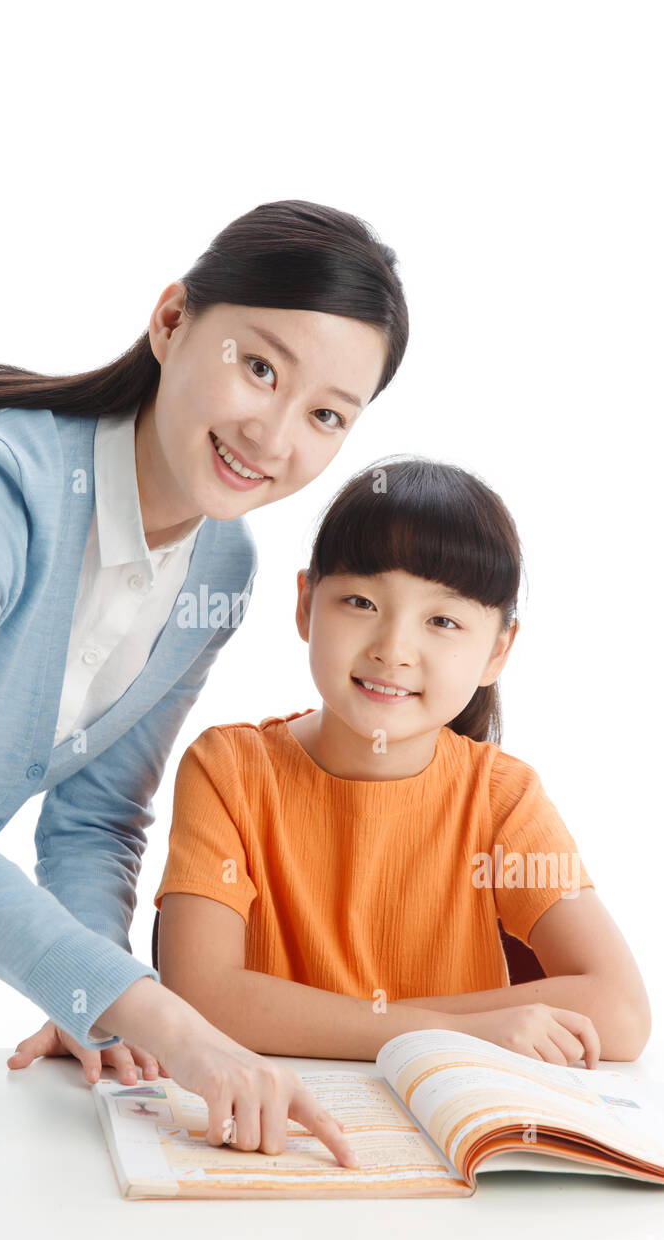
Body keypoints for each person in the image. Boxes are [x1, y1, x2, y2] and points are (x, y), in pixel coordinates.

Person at [0, 198, 410, 1164]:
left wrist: (91, 998)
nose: (273, 435)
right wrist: (177, 1027)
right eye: (259, 367)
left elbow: (91, 821)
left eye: (326, 415)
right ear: (171, 322)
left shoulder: (220, 570)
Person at [153, 457, 652, 1070]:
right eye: (361, 601)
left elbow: (622, 1012)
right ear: (306, 604)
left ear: (498, 651)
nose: (393, 648)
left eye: (442, 620)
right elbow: (199, 996)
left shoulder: (501, 797)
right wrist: (450, 1032)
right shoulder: (228, 770)